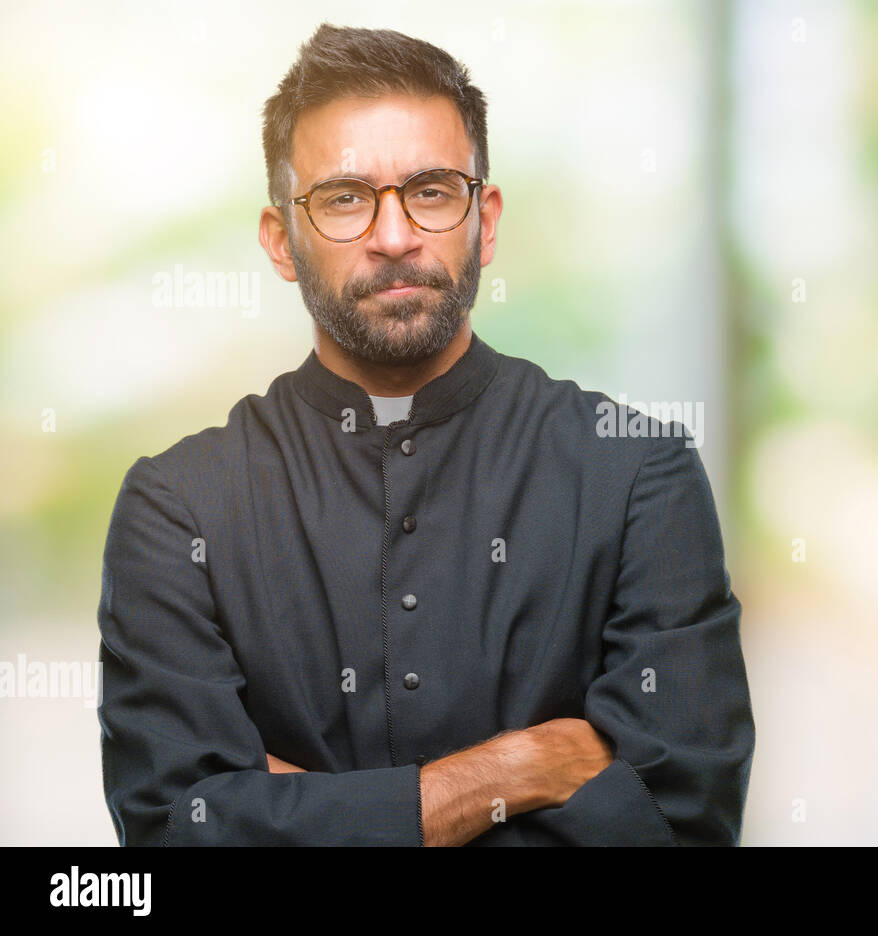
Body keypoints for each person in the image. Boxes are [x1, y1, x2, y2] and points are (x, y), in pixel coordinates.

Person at [96, 23, 755, 846]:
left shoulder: (637, 473)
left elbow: (675, 822)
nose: (395, 235)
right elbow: (173, 830)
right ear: (281, 242)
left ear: (485, 220)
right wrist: (509, 776)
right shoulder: (179, 508)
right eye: (344, 198)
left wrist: (300, 815)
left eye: (433, 190)